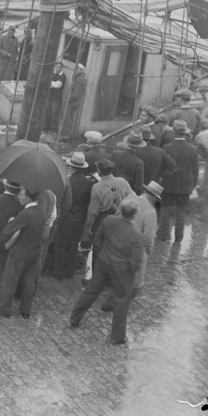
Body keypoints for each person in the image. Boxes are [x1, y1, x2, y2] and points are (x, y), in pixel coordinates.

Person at [68, 196, 145, 345]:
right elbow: (136, 261)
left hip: (103, 262)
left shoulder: (109, 220)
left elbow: (97, 238)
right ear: (134, 214)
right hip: (121, 270)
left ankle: (74, 318)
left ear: (121, 210)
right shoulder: (136, 236)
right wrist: (130, 271)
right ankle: (117, 336)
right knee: (121, 300)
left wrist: (101, 254)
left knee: (91, 291)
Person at [0, 182, 45, 319]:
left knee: (9, 281)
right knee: (29, 282)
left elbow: (7, 231)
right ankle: (26, 310)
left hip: (19, 253)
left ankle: (4, 309)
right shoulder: (41, 211)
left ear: (28, 197)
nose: (19, 197)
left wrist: (11, 222)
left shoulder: (25, 214)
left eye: (22, 195)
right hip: (34, 253)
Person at [52, 153, 95, 280]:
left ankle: (58, 272)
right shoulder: (89, 183)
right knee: (74, 245)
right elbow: (89, 203)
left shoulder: (67, 181)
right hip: (80, 219)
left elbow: (63, 201)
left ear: (72, 166)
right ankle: (70, 272)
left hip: (67, 218)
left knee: (61, 245)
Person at [158, 119, 199, 243]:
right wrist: (193, 185)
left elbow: (162, 168)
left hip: (168, 185)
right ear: (185, 133)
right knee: (181, 213)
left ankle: (163, 237)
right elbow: (195, 170)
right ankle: (178, 239)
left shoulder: (166, 148)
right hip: (185, 186)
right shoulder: (193, 149)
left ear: (174, 132)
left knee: (165, 211)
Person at [110, 132, 146, 196]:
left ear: (127, 143)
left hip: (111, 191)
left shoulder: (114, 154)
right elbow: (138, 186)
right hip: (127, 195)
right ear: (138, 147)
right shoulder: (139, 163)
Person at [61, 63, 87, 138]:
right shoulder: (81, 78)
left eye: (76, 69)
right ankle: (66, 134)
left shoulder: (79, 79)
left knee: (68, 119)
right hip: (73, 102)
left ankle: (65, 135)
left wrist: (68, 99)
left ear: (79, 70)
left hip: (72, 102)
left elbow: (76, 93)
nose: (75, 70)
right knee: (69, 118)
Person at [46, 62, 67, 132]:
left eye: (58, 67)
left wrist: (50, 83)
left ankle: (53, 129)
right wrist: (52, 83)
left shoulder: (63, 76)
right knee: (47, 112)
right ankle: (45, 128)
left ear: (61, 68)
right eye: (56, 67)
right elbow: (48, 82)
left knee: (54, 114)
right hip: (50, 97)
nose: (57, 68)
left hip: (57, 99)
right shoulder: (52, 74)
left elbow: (58, 85)